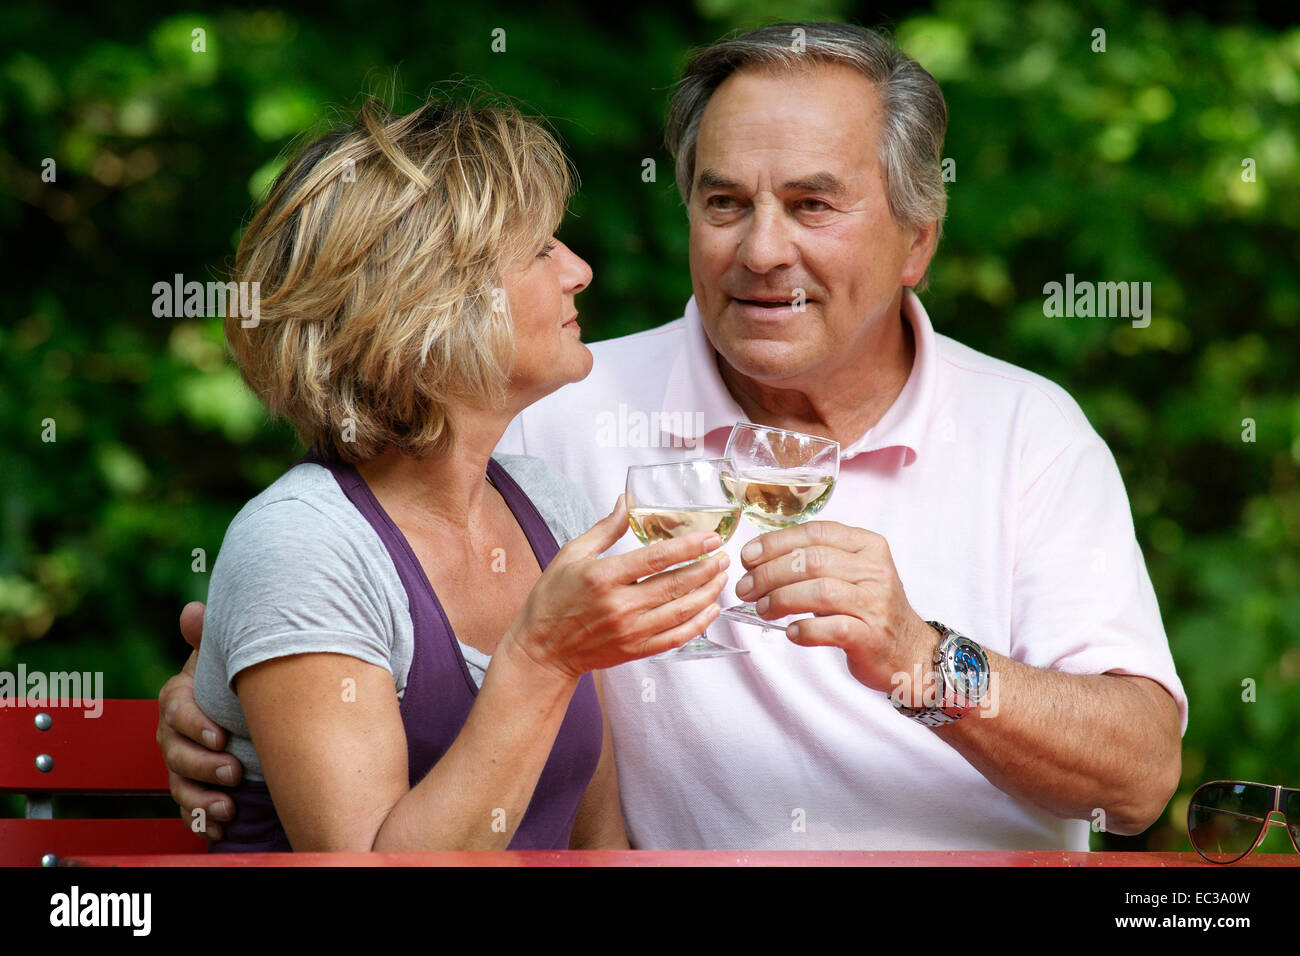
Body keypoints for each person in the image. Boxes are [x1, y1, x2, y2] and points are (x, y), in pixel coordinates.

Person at [160, 23, 1186, 851]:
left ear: (917, 235)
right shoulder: (555, 411)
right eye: (724, 201)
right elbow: (358, 578)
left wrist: (920, 656)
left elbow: (1138, 781)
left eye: (812, 203)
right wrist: (223, 708)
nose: (761, 248)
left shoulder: (1028, 433)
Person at [179, 94, 731, 852]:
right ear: (432, 301)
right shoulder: (303, 545)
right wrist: (541, 657)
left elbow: (597, 840)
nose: (579, 269)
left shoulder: (545, 501)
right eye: (540, 249)